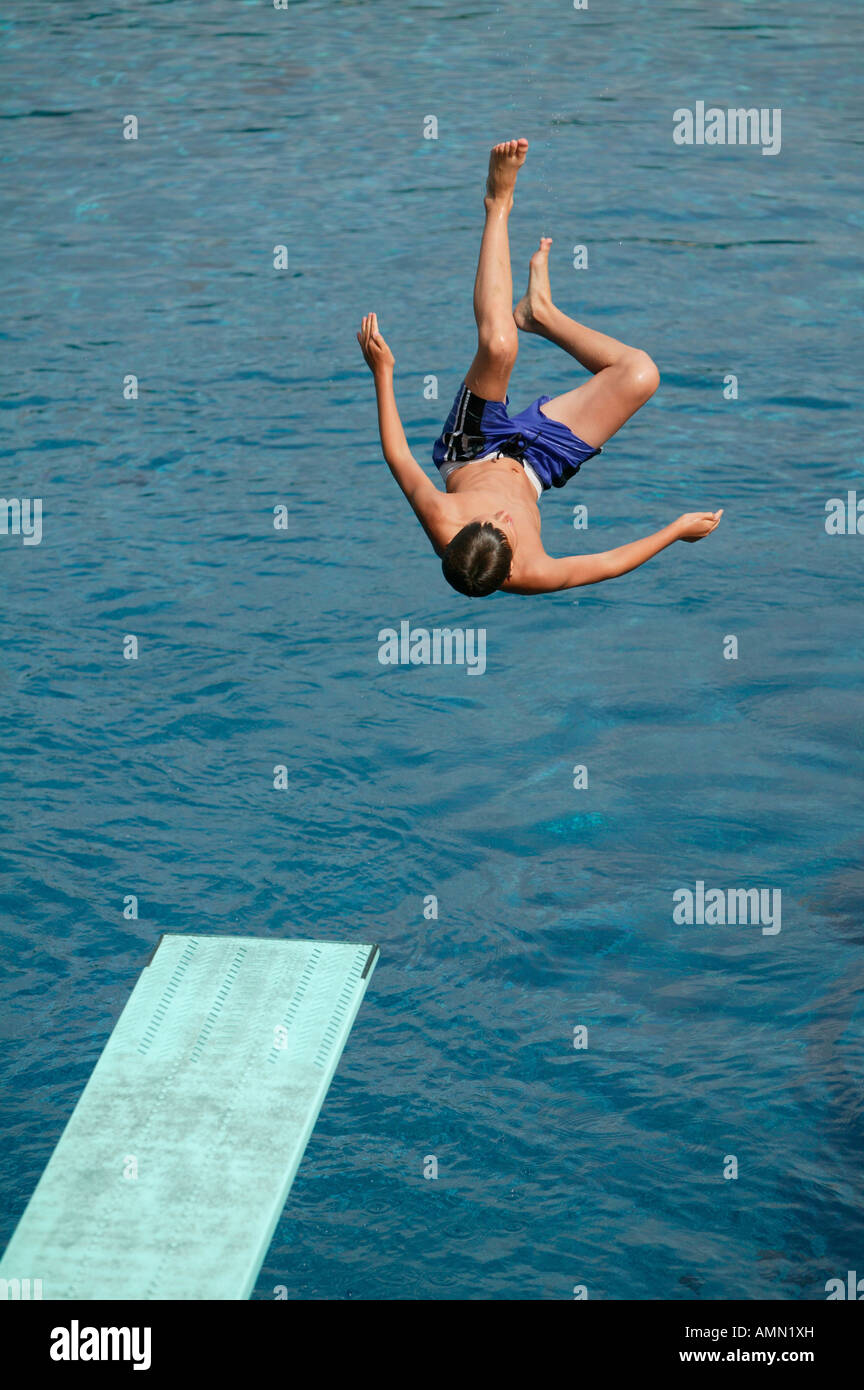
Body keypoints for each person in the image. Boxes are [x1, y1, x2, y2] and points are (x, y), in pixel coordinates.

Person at [358, 139, 722, 597]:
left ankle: (498, 202)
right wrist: (676, 530)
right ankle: (541, 314)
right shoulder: (535, 573)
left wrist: (382, 371)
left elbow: (398, 456)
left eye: (488, 520)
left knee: (500, 345)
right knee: (640, 374)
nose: (505, 517)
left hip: (472, 450)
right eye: (507, 531)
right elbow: (609, 563)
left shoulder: (440, 516)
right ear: (512, 569)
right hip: (538, 466)